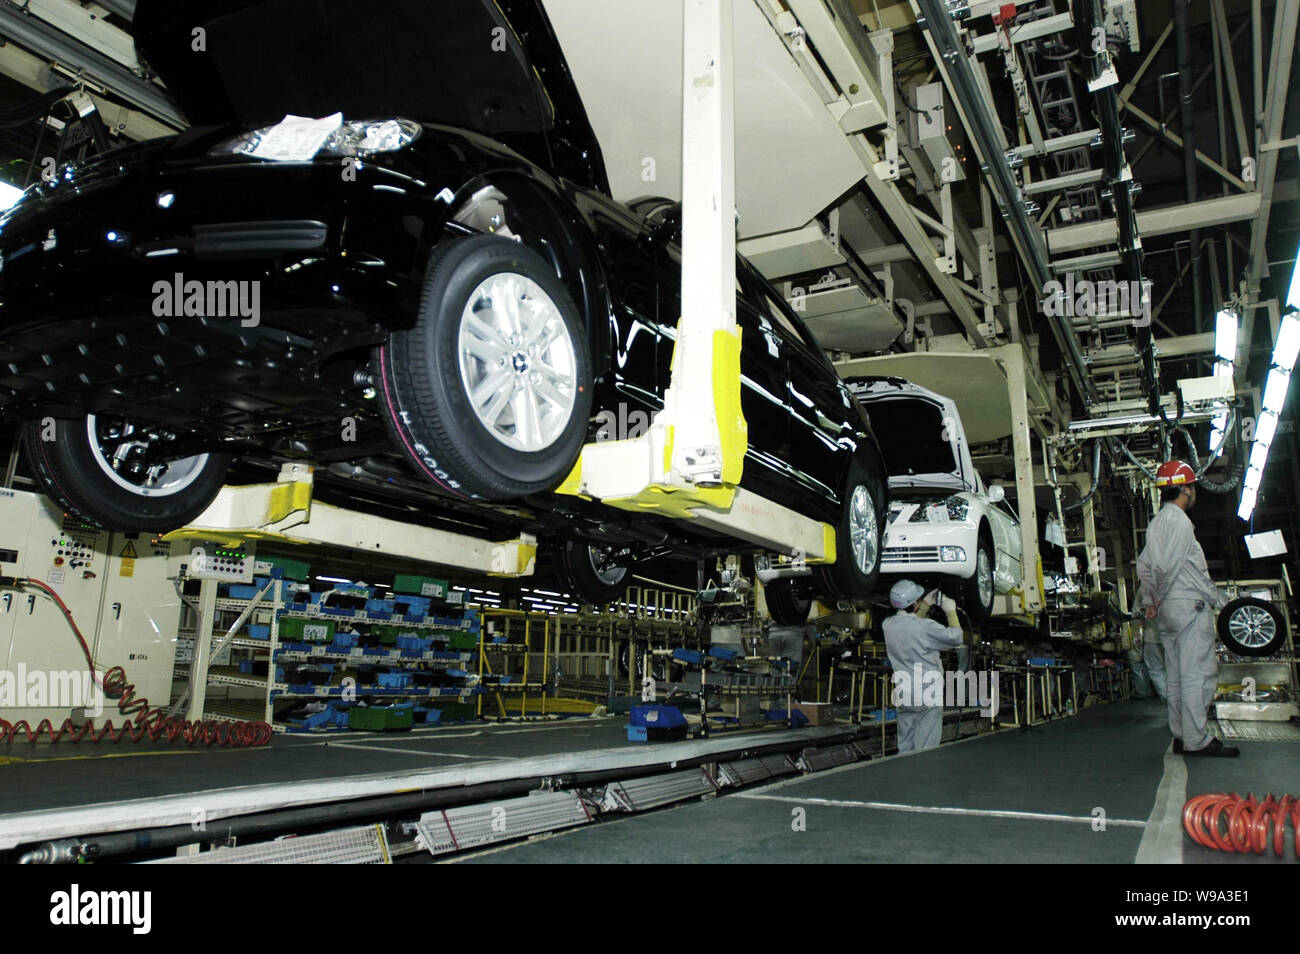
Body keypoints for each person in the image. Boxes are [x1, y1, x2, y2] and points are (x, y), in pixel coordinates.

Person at [1136, 460, 1237, 757]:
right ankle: (1196, 740)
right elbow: (1167, 567)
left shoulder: (1156, 524)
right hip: (1187, 605)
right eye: (1192, 487)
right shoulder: (1179, 522)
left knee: (1178, 675)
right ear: (1183, 489)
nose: (1194, 493)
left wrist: (1150, 601)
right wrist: (1155, 598)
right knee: (1197, 673)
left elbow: (1145, 566)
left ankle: (1181, 734)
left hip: (1169, 610)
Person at [882, 579, 964, 753]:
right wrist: (950, 611)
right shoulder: (926, 626)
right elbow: (956, 637)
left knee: (905, 748)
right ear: (915, 604)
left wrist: (925, 604)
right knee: (926, 751)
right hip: (928, 695)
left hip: (904, 694)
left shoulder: (887, 626)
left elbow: (910, 626)